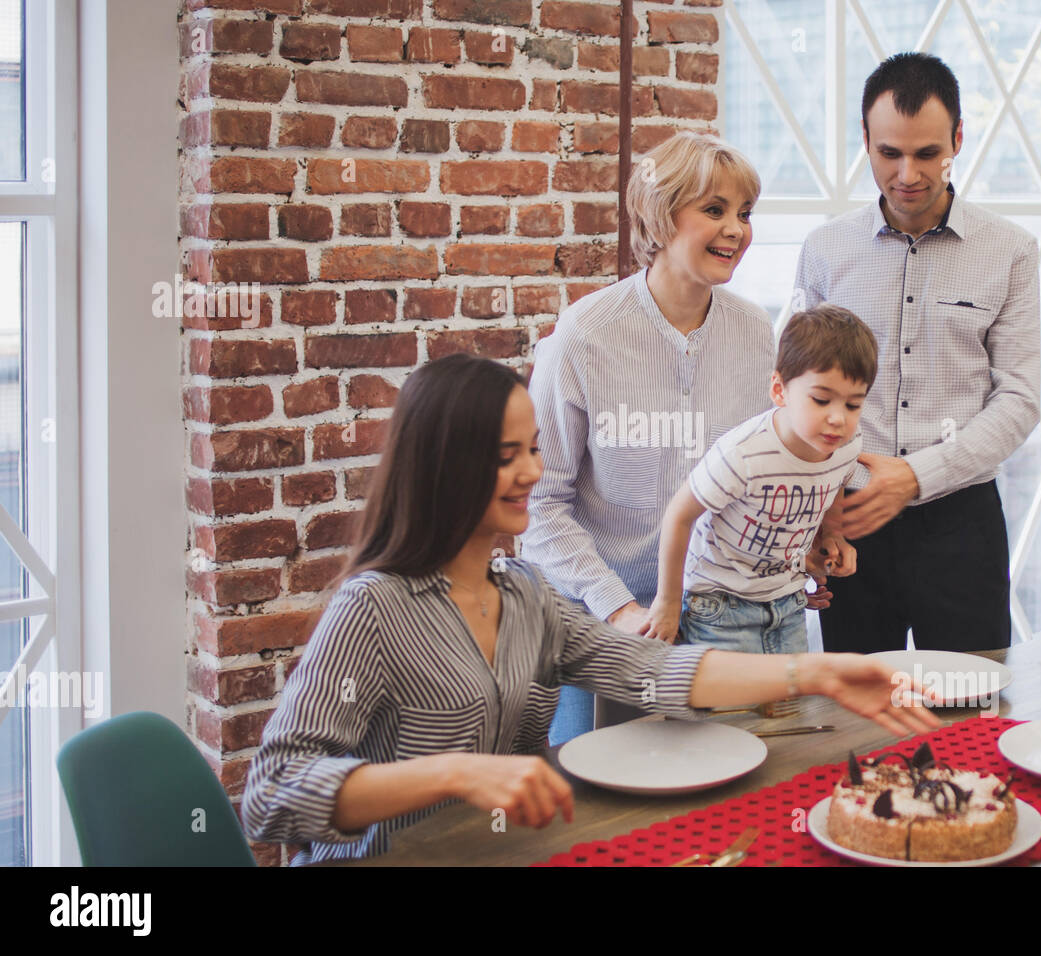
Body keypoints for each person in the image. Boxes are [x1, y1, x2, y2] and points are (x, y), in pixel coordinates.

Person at [239, 354, 941, 864]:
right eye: (506, 455)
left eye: (535, 449)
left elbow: (656, 669)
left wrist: (813, 675)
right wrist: (455, 773)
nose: (533, 474)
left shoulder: (526, 594)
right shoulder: (374, 609)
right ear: (444, 465)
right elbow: (270, 794)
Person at [524, 131, 793, 743]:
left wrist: (791, 551)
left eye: (745, 213)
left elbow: (758, 474)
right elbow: (540, 505)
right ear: (662, 216)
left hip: (721, 622)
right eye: (715, 210)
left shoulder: (756, 333)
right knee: (596, 807)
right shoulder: (584, 335)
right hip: (598, 627)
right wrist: (618, 607)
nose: (737, 230)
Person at [792, 52, 1041, 654]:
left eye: (927, 153)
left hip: (963, 526)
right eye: (889, 153)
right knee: (854, 724)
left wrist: (915, 477)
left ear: (957, 139)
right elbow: (800, 396)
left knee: (971, 715)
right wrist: (811, 520)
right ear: (866, 141)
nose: (907, 174)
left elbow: (1020, 400)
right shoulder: (825, 252)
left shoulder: (1012, 251)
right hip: (847, 523)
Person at [641, 305, 878, 654]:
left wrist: (832, 533)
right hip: (719, 608)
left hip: (788, 603)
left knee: (788, 707)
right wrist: (668, 603)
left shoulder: (846, 447)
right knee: (729, 710)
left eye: (853, 405)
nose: (838, 419)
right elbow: (680, 513)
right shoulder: (744, 454)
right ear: (780, 390)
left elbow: (836, 483)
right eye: (821, 400)